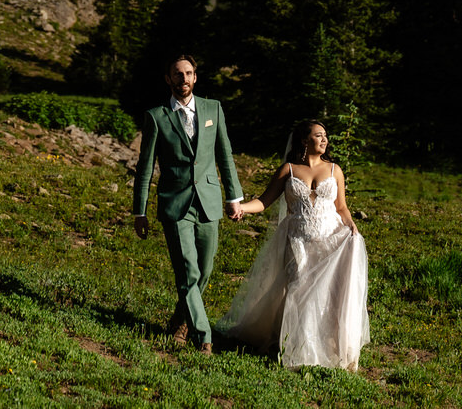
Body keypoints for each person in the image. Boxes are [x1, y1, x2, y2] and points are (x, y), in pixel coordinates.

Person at [220, 119, 370, 370]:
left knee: (325, 295)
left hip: (330, 240)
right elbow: (264, 201)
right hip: (297, 239)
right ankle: (297, 347)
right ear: (304, 140)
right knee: (298, 290)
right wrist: (242, 209)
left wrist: (351, 225)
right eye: (318, 135)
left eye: (325, 136)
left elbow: (341, 207)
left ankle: (320, 348)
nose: (324, 139)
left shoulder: (334, 170)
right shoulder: (288, 170)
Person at [132, 55, 244, 355]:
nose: (184, 79)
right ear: (168, 79)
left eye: (189, 73)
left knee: (204, 270)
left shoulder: (213, 109)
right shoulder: (156, 116)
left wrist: (234, 197)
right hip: (174, 205)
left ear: (195, 77)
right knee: (188, 271)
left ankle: (180, 320)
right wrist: (139, 211)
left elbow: (225, 155)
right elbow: (145, 167)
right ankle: (203, 334)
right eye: (178, 74)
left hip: (208, 202)